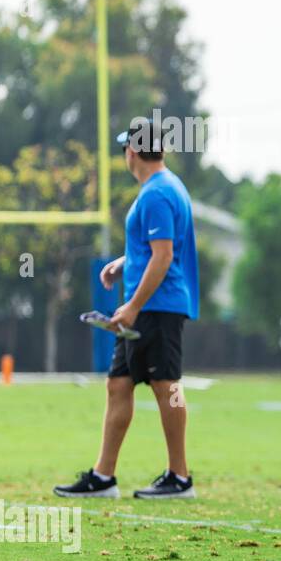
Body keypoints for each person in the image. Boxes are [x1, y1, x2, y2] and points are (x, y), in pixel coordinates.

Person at [55, 120, 201, 499]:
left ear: (132, 152)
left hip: (156, 307)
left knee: (166, 385)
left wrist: (133, 305)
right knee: (119, 383)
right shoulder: (164, 188)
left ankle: (179, 477)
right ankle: (104, 477)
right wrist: (124, 262)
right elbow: (156, 248)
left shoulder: (157, 193)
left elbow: (165, 255)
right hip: (148, 306)